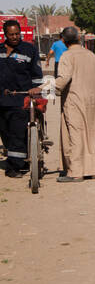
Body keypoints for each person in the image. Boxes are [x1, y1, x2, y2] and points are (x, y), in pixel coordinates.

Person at [52, 27, 95, 182]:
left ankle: (76, 172)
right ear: (78, 38)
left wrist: (46, 89)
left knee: (75, 134)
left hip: (74, 100)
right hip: (92, 100)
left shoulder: (66, 56)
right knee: (93, 133)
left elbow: (63, 79)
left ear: (63, 40)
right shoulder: (90, 55)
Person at [1, 18, 44, 178]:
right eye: (11, 34)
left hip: (21, 99)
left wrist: (36, 90)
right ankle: (17, 158)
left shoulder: (29, 50)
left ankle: (15, 167)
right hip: (1, 100)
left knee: (17, 132)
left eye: (17, 34)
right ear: (5, 34)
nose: (15, 37)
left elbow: (37, 74)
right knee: (5, 132)